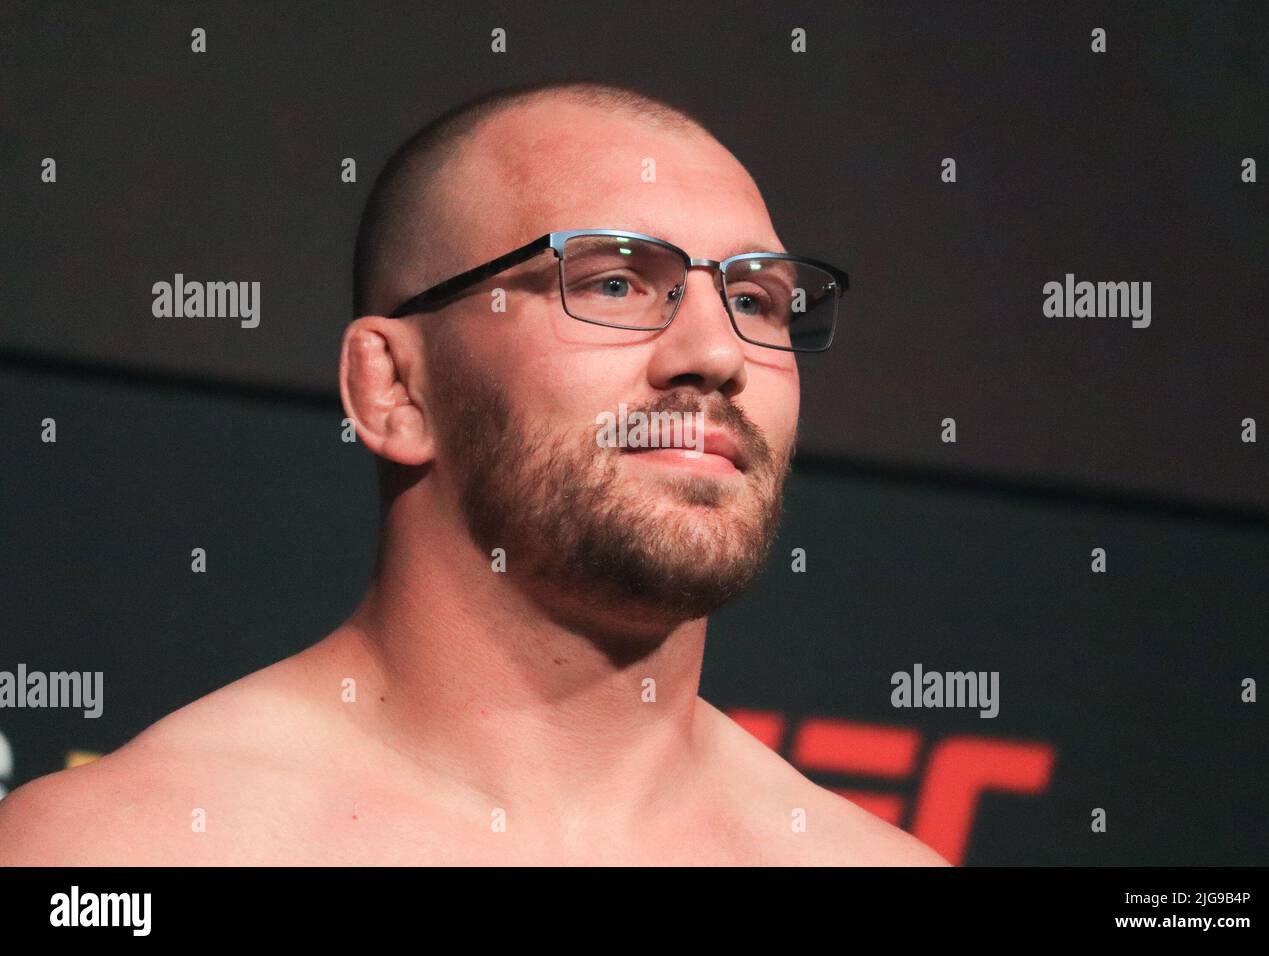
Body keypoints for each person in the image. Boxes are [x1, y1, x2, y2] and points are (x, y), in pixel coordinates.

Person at [0, 80, 948, 865]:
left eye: (756, 297)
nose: (716, 352)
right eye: (612, 281)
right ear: (394, 388)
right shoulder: (116, 855)